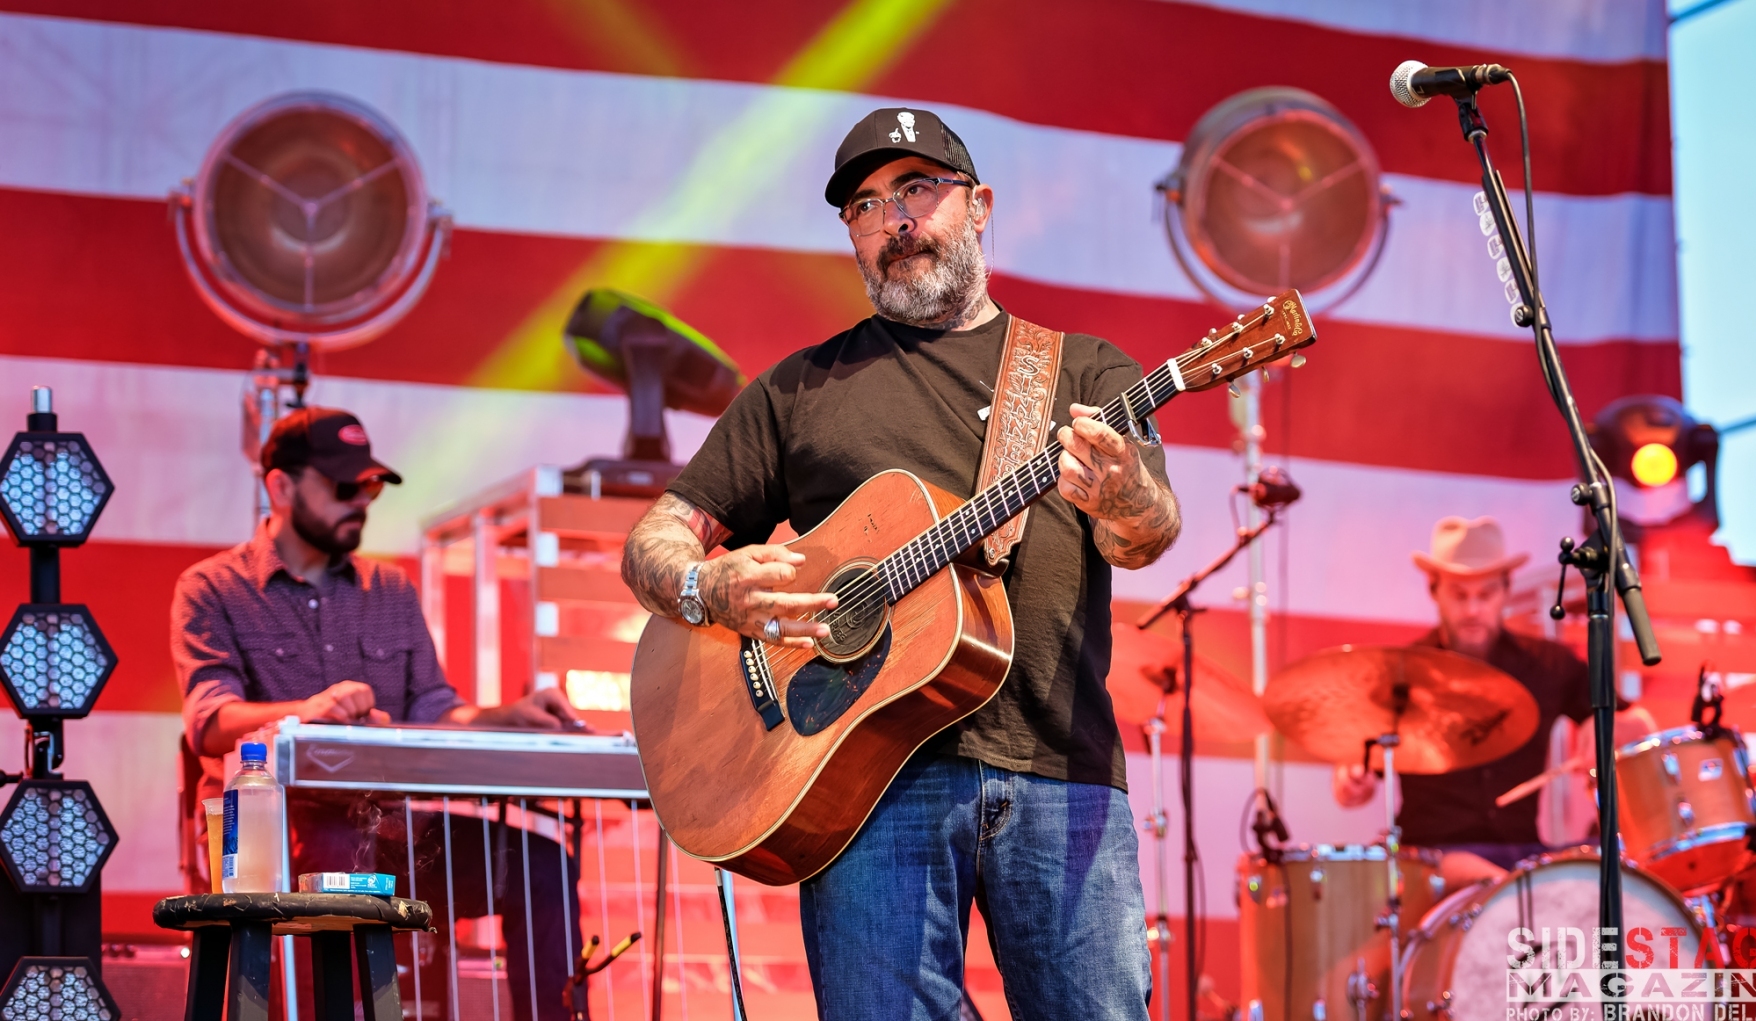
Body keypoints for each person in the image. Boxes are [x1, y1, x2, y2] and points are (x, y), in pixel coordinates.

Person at [620, 107, 1183, 1019]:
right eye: (866, 206)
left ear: (980, 204)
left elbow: (1145, 538)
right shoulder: (802, 388)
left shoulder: (1084, 373)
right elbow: (657, 537)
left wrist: (1124, 496)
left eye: (918, 189)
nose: (894, 220)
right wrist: (706, 584)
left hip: (1060, 769)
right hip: (865, 780)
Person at [172, 406, 586, 1021]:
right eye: (344, 487)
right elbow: (209, 721)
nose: (362, 501)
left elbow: (435, 710)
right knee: (342, 850)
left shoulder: (390, 590)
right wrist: (306, 713)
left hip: (391, 832)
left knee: (542, 861)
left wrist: (508, 716)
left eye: (369, 486)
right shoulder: (213, 588)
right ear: (280, 486)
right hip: (275, 840)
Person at [1333, 516, 1591, 878]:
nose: (1472, 610)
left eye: (1485, 595)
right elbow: (1356, 768)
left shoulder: (1549, 665)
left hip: (1522, 856)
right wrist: (1350, 782)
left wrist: (1602, 729)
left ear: (1506, 590)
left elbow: (1630, 721)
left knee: (1602, 867)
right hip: (1430, 862)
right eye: (1459, 595)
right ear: (1433, 590)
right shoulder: (1400, 675)